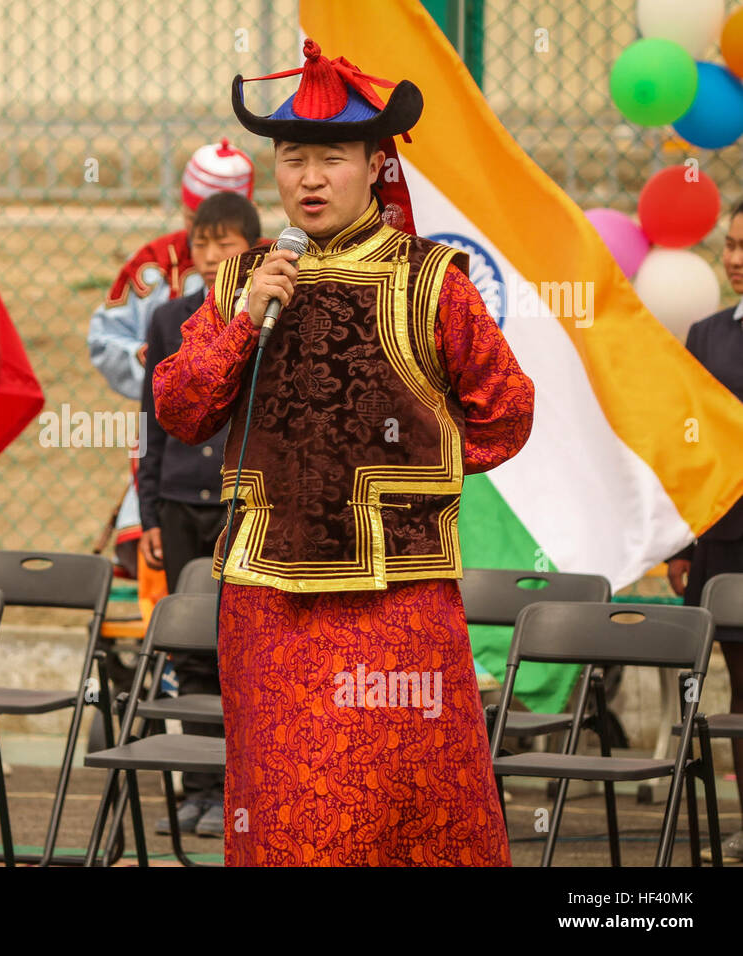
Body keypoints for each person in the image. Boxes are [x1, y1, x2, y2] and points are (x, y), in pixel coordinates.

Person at [153, 39, 535, 866]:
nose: (311, 178)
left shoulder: (431, 281)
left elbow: (506, 413)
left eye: (333, 157)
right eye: (294, 158)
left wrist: (410, 477)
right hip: (266, 604)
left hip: (395, 606)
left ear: (375, 166)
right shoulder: (240, 283)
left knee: (397, 815)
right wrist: (242, 319)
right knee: (288, 820)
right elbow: (179, 410)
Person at [139, 191, 261, 837]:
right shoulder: (168, 321)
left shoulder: (267, 318)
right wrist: (151, 513)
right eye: (203, 244)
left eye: (227, 244)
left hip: (243, 505)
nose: (212, 257)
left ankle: (239, 790)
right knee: (190, 651)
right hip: (182, 504)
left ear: (254, 249)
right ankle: (199, 786)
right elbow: (150, 426)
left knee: (239, 648)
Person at [89, 140, 255, 575]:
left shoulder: (269, 282)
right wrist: (164, 368)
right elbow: (105, 342)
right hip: (174, 474)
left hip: (244, 482)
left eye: (225, 238)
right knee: (173, 602)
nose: (211, 254)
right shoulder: (150, 268)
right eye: (197, 233)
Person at [667, 200, 743, 863]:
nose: (737, 259)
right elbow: (687, 445)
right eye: (732, 246)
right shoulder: (707, 335)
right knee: (737, 690)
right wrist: (680, 542)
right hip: (723, 540)